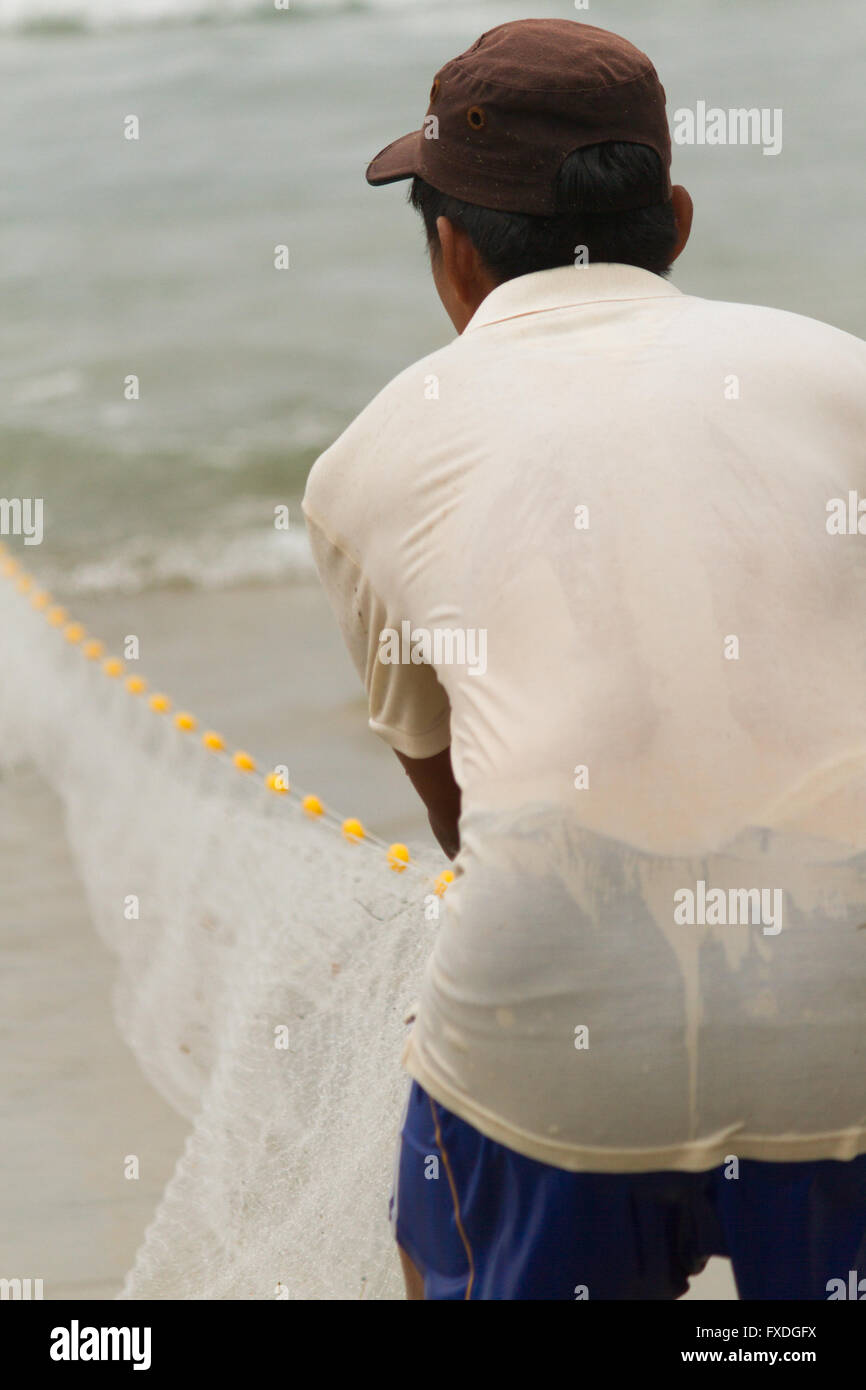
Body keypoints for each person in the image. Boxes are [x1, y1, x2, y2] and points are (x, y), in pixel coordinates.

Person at [302, 19, 866, 1300]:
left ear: (451, 250)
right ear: (674, 219)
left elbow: (461, 813)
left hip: (554, 1028)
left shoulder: (365, 462)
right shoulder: (843, 374)